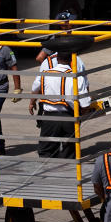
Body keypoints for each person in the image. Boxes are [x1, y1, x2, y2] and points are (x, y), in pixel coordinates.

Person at [28, 13, 90, 159]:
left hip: (49, 117)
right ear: (70, 58)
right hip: (69, 116)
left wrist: (32, 102)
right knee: (69, 154)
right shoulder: (78, 63)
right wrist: (82, 114)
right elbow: (85, 96)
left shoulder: (46, 64)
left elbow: (36, 86)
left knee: (45, 152)